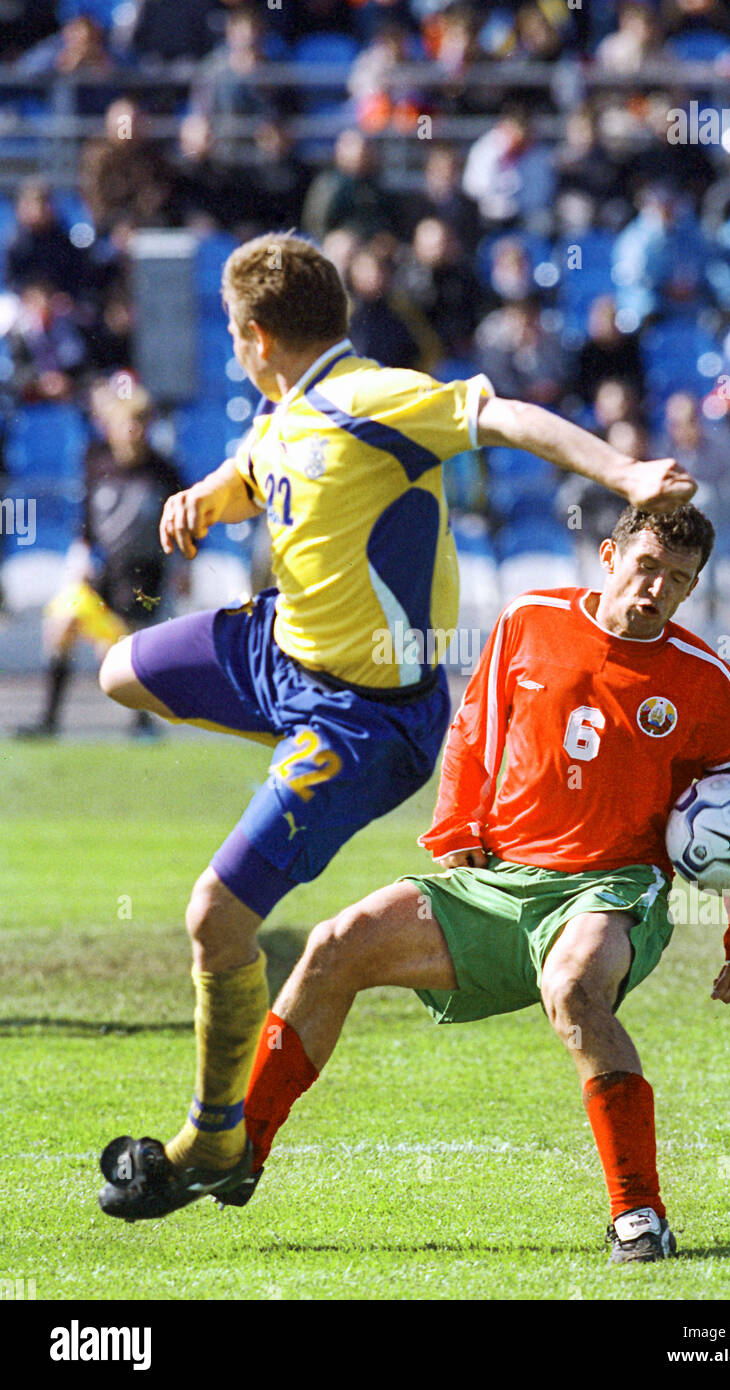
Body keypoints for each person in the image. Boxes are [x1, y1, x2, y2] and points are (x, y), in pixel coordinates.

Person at [95, 231, 696, 1221]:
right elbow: (260, 463)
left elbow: (504, 415)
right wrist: (208, 494)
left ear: (252, 337)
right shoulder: (283, 409)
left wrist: (626, 474)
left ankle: (214, 1133)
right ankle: (292, 751)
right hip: (274, 656)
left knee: (216, 917)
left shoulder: (377, 401)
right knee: (122, 671)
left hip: (367, 717)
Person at [219, 503, 730, 1265]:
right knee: (334, 945)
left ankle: (639, 1216)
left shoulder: (710, 685)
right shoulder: (531, 618)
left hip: (613, 887)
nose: (657, 590)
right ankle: (239, 1151)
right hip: (501, 880)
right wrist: (457, 830)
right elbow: (476, 727)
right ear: (611, 555)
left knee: (577, 984)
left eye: (679, 581)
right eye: (648, 567)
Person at [17, 381, 181, 738]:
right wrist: (80, 559)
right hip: (102, 574)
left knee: (118, 658)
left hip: (142, 581)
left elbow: (183, 523)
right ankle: (48, 721)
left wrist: (183, 567)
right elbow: (88, 522)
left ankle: (142, 724)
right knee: (60, 625)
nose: (133, 430)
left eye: (140, 422)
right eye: (127, 422)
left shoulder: (163, 471)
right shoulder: (97, 460)